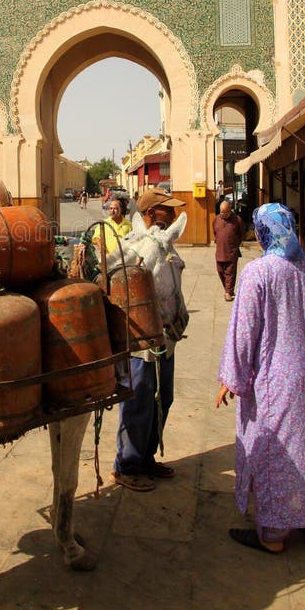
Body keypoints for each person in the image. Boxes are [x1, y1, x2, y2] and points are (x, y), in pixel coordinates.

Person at [216, 203, 305, 554]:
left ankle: (273, 533)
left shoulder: (259, 273)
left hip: (277, 380)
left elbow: (244, 332)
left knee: (276, 452)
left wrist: (231, 378)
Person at [111, 189, 187, 492]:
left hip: (166, 339)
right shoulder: (141, 246)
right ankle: (126, 466)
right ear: (152, 213)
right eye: (166, 209)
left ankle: (146, 456)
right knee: (138, 402)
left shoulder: (164, 243)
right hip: (141, 343)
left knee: (163, 398)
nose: (171, 214)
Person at [212, 200, 244, 301]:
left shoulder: (237, 220)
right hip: (220, 251)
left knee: (230, 273)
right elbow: (215, 233)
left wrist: (235, 244)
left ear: (230, 211)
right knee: (220, 271)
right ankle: (228, 289)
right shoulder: (216, 219)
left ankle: (228, 292)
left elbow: (241, 234)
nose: (224, 215)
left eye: (226, 213)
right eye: (222, 213)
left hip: (231, 252)